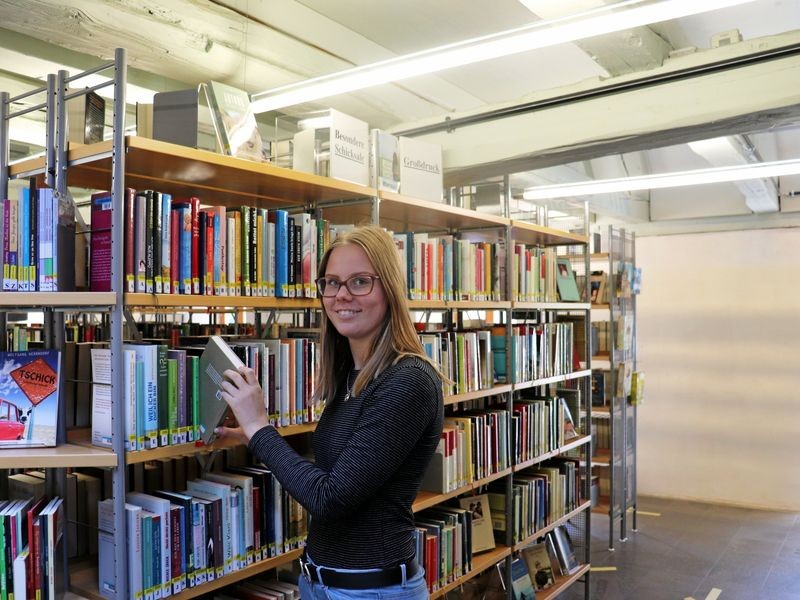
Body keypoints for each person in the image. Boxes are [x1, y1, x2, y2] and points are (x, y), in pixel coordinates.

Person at [215, 224, 445, 599]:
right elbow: (342, 468)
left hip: (370, 591)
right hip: (321, 582)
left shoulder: (407, 381)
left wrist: (260, 428)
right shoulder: (353, 375)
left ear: (389, 289)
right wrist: (252, 435)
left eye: (360, 282)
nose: (341, 295)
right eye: (332, 283)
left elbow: (330, 498)